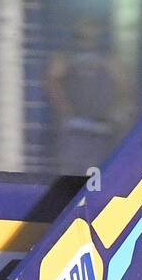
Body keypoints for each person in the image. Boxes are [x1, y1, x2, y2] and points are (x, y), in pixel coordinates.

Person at [45, 16, 122, 176]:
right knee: (71, 175)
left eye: (93, 30)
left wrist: (115, 112)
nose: (88, 35)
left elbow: (123, 84)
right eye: (83, 32)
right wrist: (65, 110)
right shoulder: (65, 57)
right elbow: (52, 82)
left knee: (100, 175)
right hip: (74, 128)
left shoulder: (109, 58)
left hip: (102, 128)